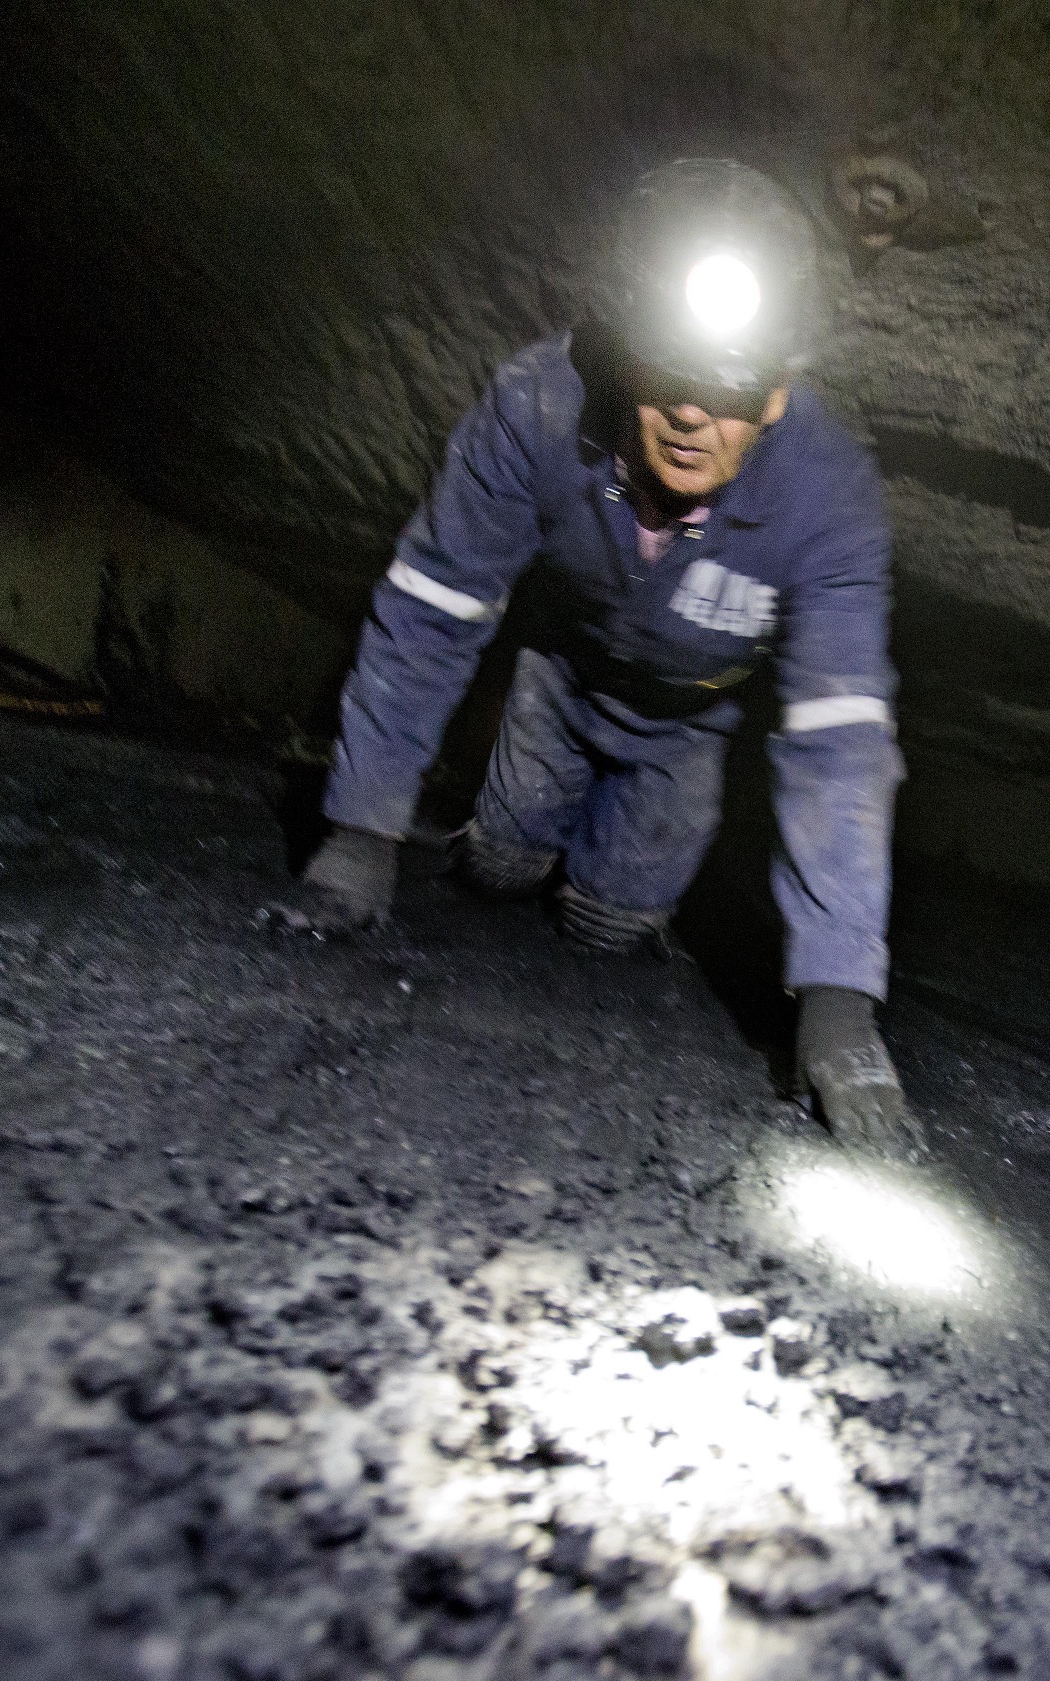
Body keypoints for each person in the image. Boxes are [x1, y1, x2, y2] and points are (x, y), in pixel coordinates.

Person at [264, 160, 910, 1147]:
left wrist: (837, 995)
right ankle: (497, 836)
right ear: (621, 354)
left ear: (780, 393)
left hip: (690, 726)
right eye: (671, 371)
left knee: (608, 930)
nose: (693, 414)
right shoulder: (534, 408)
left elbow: (840, 733)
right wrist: (359, 834)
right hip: (560, 680)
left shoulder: (829, 496)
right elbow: (434, 608)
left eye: (732, 386)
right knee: (503, 869)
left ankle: (619, 890)